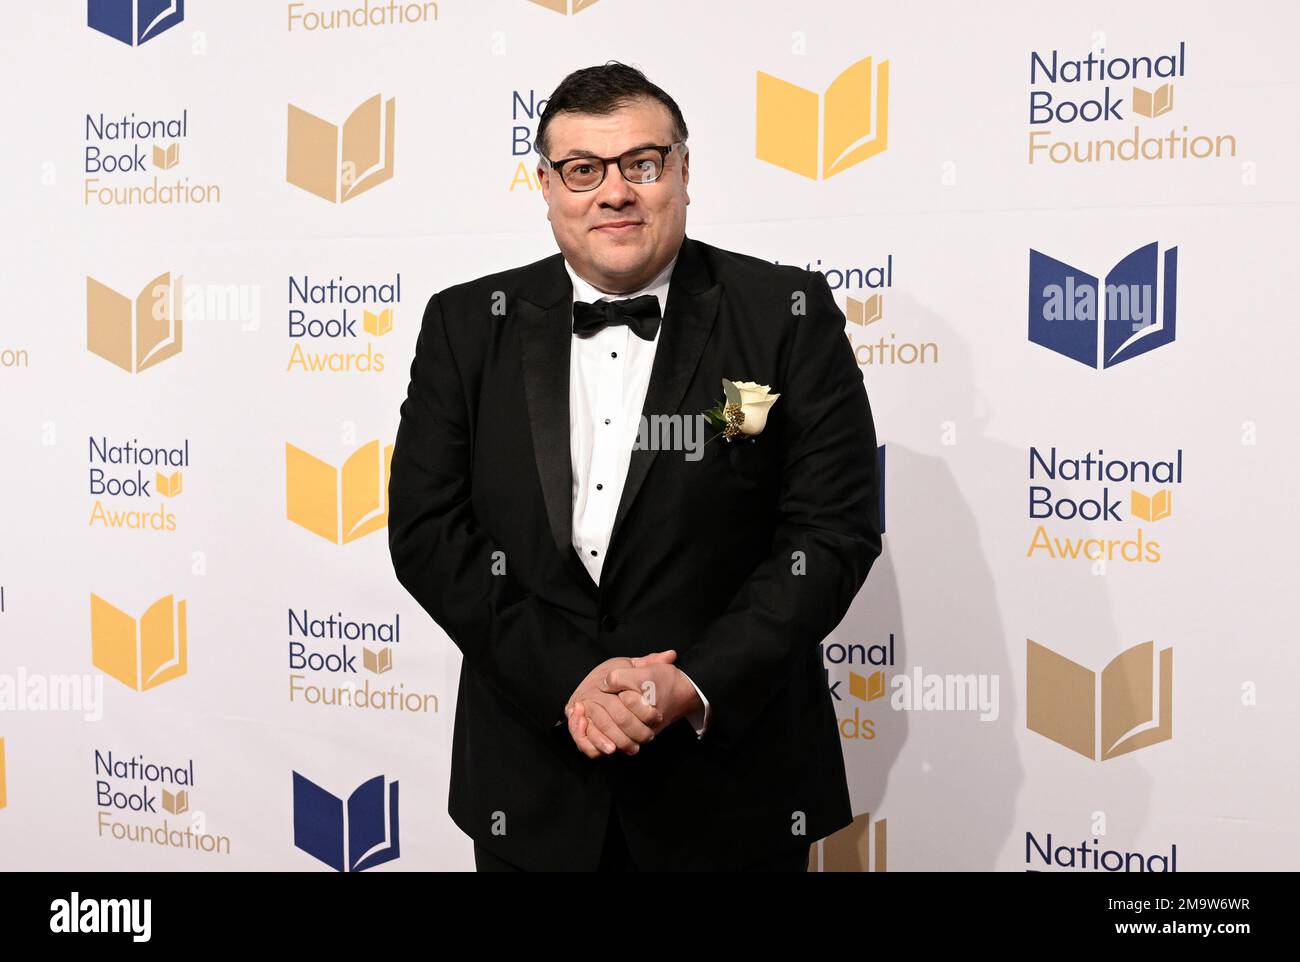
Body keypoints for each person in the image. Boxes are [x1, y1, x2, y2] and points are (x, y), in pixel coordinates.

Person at [388, 61, 882, 871]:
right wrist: (568, 680)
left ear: (683, 172)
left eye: (642, 164)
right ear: (546, 185)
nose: (613, 193)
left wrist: (694, 683)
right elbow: (428, 532)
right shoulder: (466, 324)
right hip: (532, 784)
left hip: (731, 788)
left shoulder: (786, 315)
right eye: (583, 170)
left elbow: (832, 533)